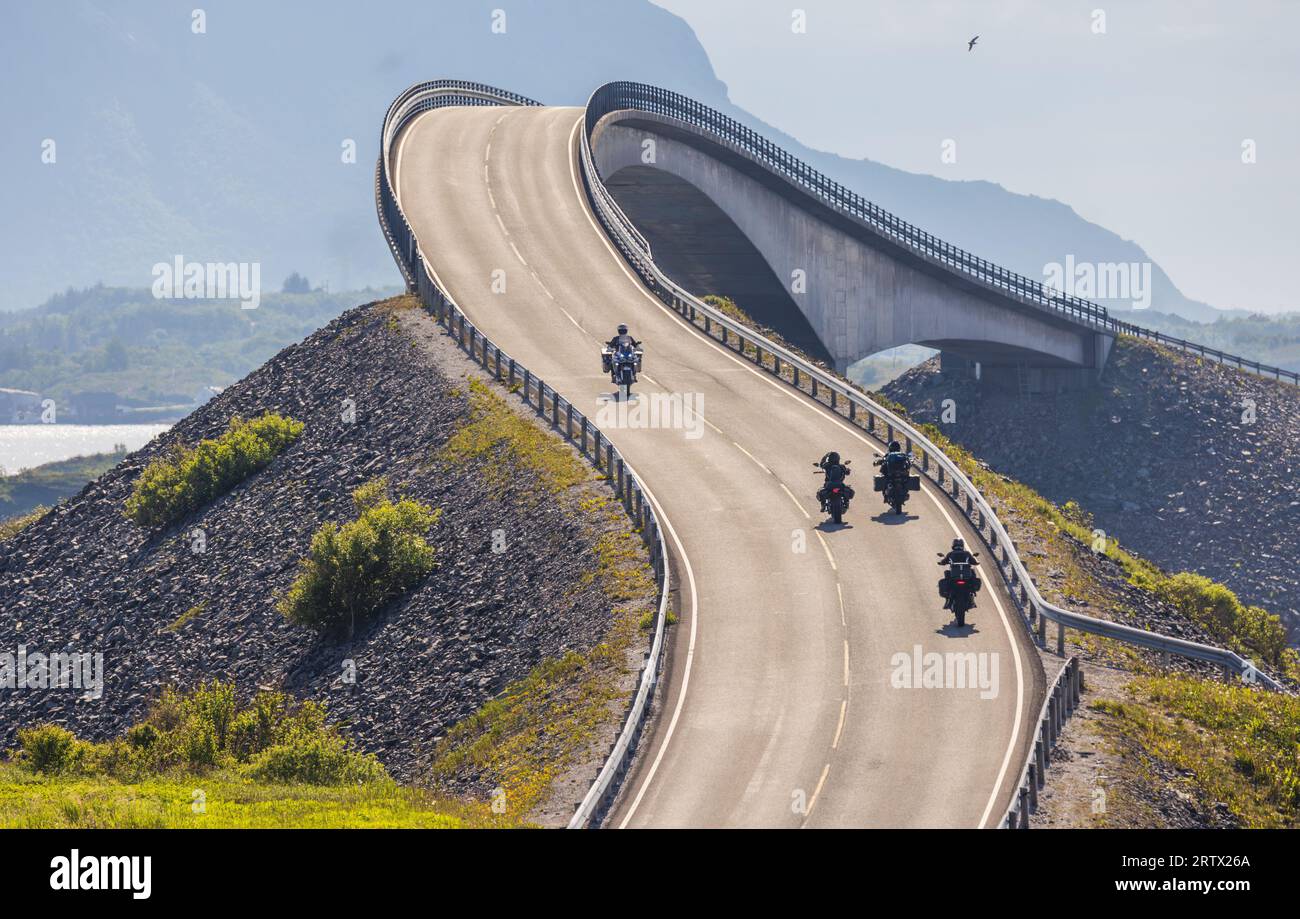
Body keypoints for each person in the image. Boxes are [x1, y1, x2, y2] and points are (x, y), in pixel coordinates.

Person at [937, 537, 980, 609]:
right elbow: (974, 562)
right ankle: (972, 598)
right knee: (972, 573)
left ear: (953, 546)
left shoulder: (950, 554)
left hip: (954, 577)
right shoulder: (967, 553)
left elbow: (943, 562)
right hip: (966, 577)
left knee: (947, 575)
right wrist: (976, 562)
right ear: (962, 546)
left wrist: (941, 562)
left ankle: (947, 600)